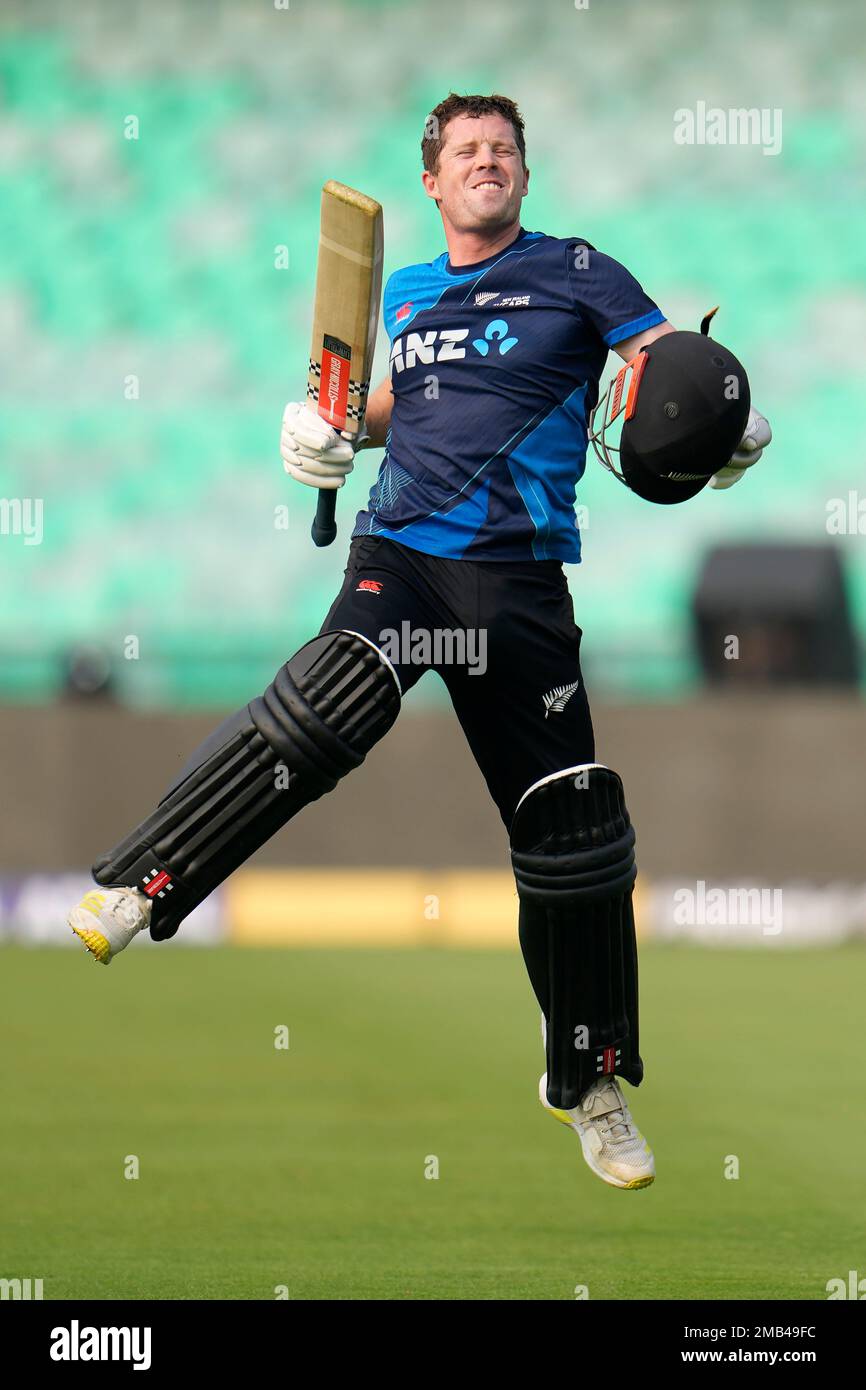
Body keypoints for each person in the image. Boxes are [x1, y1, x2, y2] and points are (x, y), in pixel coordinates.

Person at [68, 92, 771, 1192]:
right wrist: (326, 426)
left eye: (502, 150)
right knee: (328, 701)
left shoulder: (580, 271)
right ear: (435, 183)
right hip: (403, 552)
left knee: (572, 832)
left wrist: (723, 422)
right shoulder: (406, 290)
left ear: (522, 178)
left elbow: (660, 363)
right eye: (465, 152)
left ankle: (584, 1078)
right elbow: (399, 402)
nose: (485, 162)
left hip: (521, 581)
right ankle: (146, 880)